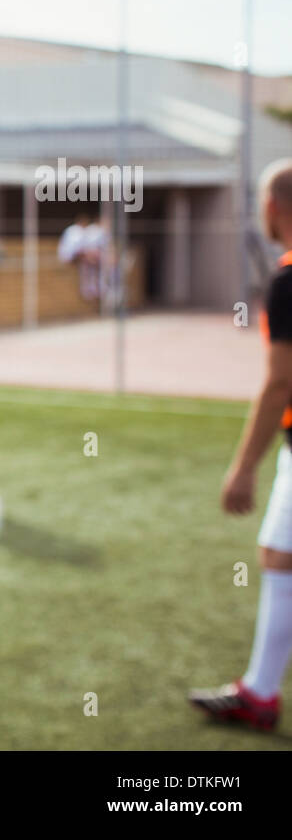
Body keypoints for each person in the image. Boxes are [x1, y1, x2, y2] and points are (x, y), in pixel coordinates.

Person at [191, 158, 292, 731]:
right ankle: (260, 689)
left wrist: (244, 467)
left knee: (279, 556)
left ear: (273, 207)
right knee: (282, 556)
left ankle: (259, 694)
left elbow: (280, 380)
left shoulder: (288, 279)